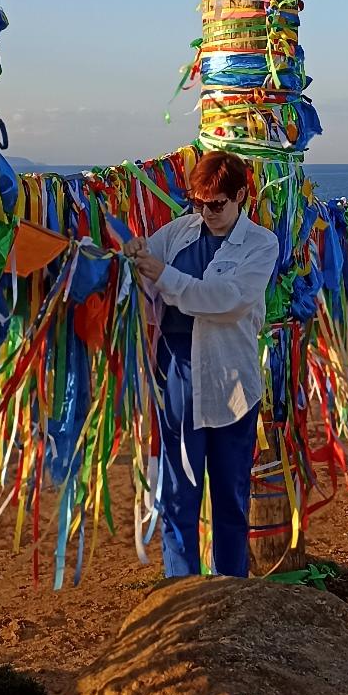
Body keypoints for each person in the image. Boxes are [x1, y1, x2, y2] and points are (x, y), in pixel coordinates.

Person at [123, 152, 278, 578]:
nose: (206, 212)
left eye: (216, 204)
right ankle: (182, 590)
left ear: (241, 196)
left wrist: (165, 276)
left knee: (230, 497)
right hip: (176, 374)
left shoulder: (262, 243)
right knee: (178, 497)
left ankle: (231, 591)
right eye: (199, 202)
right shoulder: (181, 230)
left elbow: (228, 300)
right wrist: (135, 251)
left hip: (232, 382)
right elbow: (144, 260)